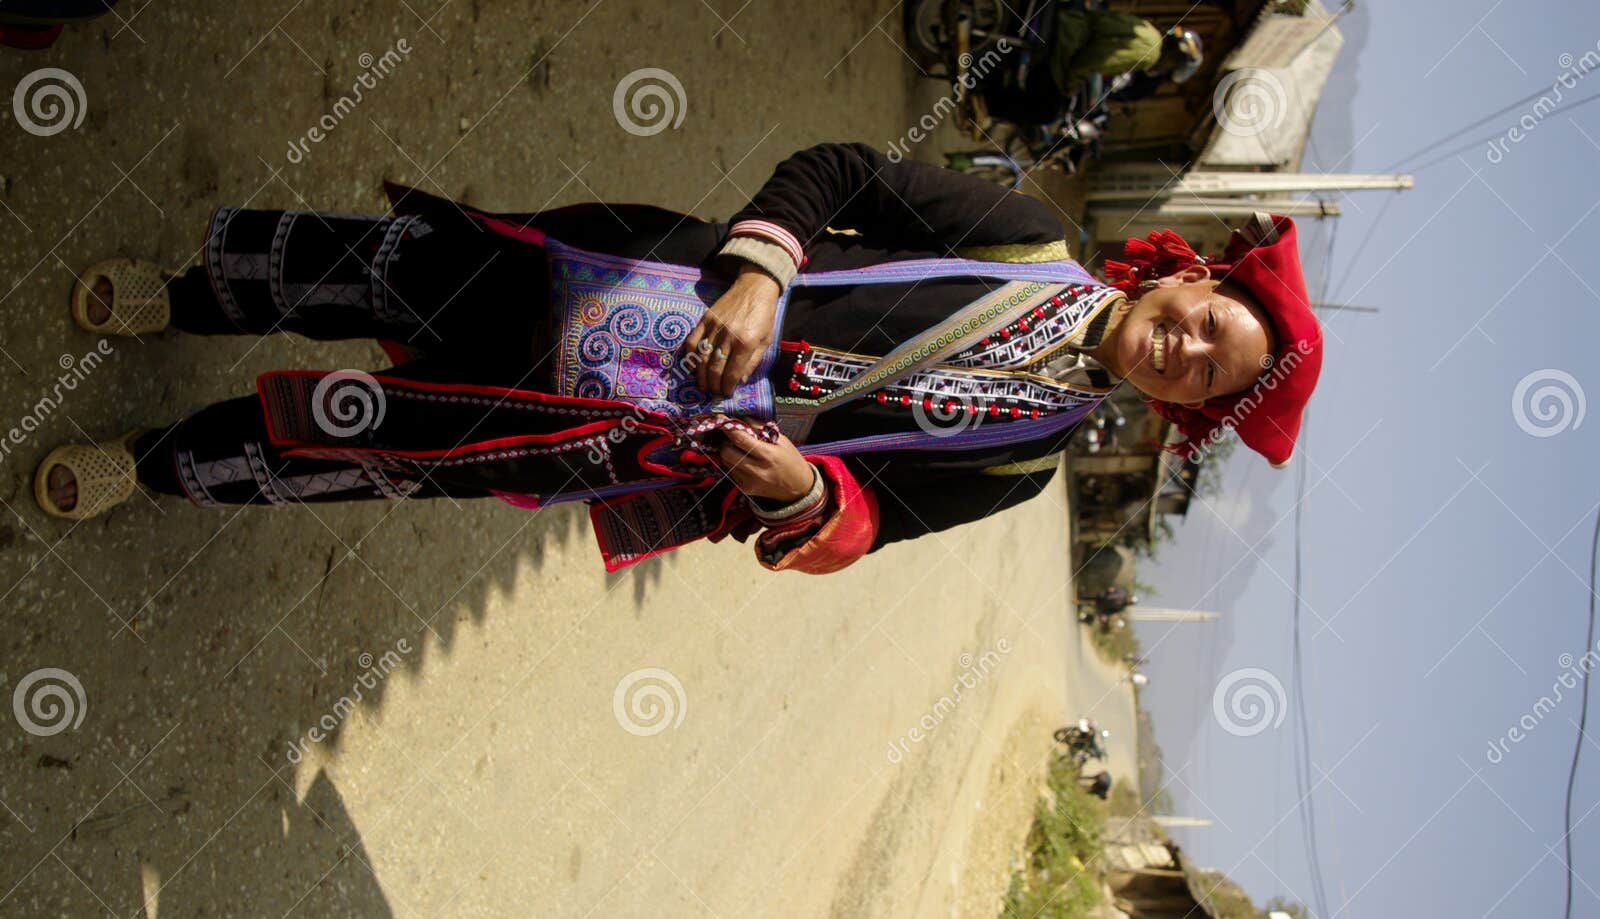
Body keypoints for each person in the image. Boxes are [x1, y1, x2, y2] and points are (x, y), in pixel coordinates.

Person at [37, 142, 1322, 575]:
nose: (1185, 351)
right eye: (1206, 325)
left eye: (1205, 376)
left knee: (397, 445)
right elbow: (842, 170)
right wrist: (763, 271)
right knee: (405, 275)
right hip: (635, 276)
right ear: (1192, 278)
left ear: (1186, 412)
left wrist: (801, 492)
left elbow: (871, 521)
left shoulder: (1023, 462)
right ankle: (187, 295)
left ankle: (155, 460)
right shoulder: (1023, 237)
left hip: (628, 435)